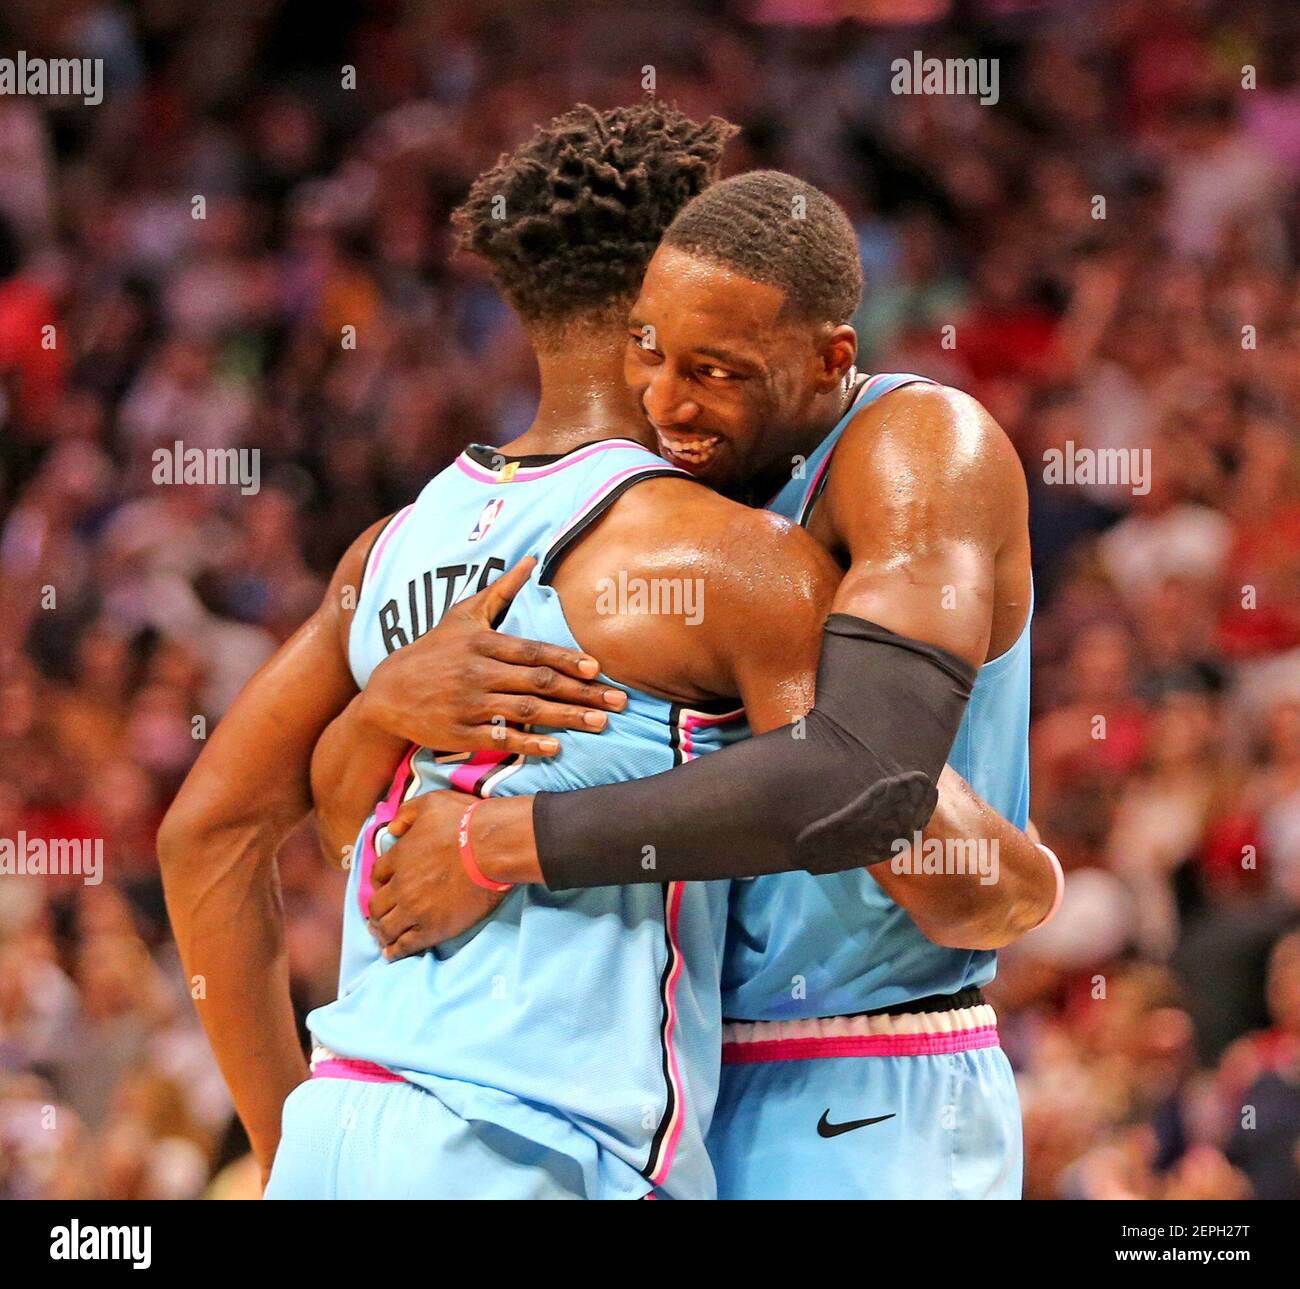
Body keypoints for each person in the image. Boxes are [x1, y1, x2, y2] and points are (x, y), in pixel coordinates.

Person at [357, 170, 1045, 1199]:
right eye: (651, 350)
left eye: (717, 371)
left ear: (829, 357)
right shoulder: (652, 493)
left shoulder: (916, 444)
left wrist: (501, 841)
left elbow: (866, 781)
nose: (667, 401)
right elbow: (262, 810)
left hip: (864, 1073)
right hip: (669, 1080)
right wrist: (380, 703)